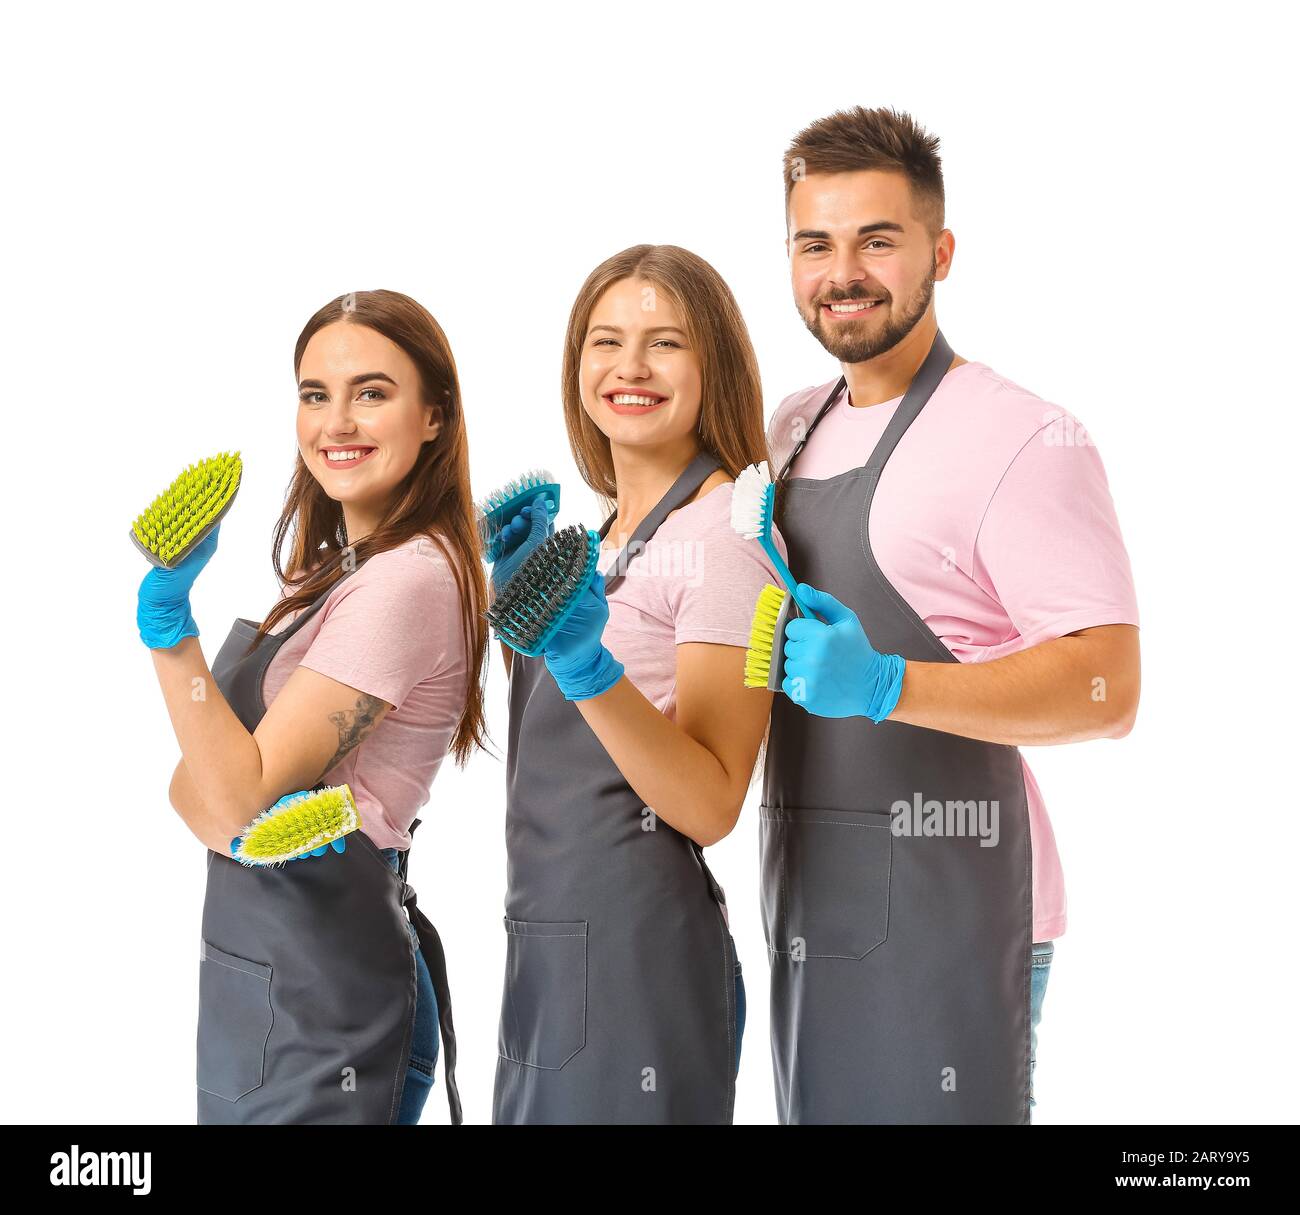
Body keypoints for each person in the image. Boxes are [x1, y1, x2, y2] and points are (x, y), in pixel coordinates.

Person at [761, 107, 1140, 1123]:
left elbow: (1108, 687)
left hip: (957, 910)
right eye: (814, 243)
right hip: (814, 905)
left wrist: (887, 685)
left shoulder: (1020, 436)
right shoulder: (791, 426)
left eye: (876, 241)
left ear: (940, 252)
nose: (843, 272)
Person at [138, 289, 488, 1124]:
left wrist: (171, 637)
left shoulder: (406, 580)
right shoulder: (331, 574)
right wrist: (237, 811)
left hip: (331, 986)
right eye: (314, 393)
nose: (338, 421)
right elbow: (192, 790)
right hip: (260, 979)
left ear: (434, 415)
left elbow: (224, 792)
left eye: (372, 392)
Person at [489, 245, 786, 1123]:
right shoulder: (602, 539)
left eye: (665, 344)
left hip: (635, 960)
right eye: (605, 341)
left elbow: (713, 799)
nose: (629, 367)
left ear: (714, 367)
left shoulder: (726, 538)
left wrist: (586, 665)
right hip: (546, 950)